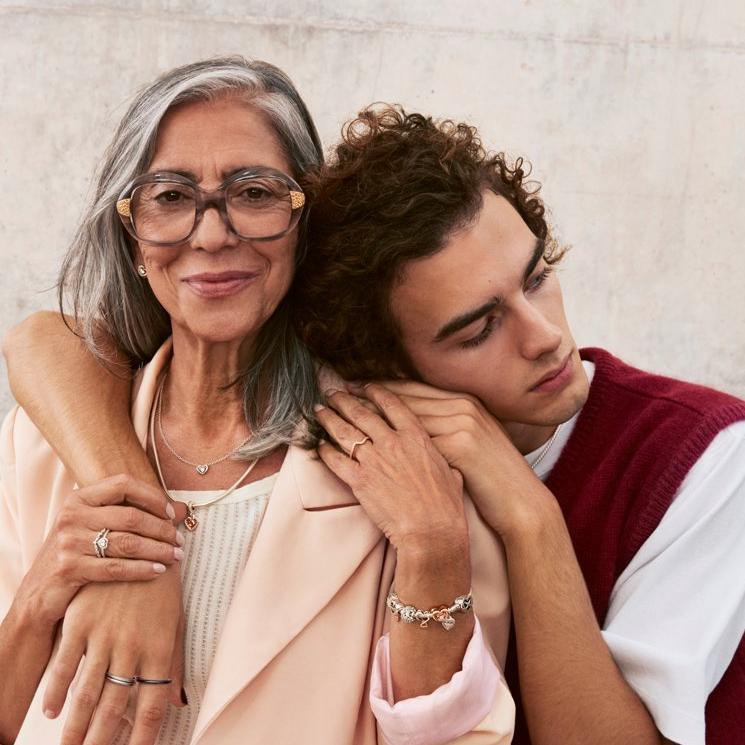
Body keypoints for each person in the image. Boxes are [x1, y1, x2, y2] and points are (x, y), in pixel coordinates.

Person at [9, 101, 744, 745]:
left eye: (536, 274)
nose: (547, 338)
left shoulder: (707, 455)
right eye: (478, 326)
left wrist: (525, 515)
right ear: (382, 362)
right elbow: (45, 338)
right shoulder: (66, 433)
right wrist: (128, 539)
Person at [0, 61, 514, 745]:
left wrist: (434, 555)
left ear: (306, 222)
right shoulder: (44, 446)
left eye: (255, 192)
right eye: (169, 196)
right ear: (130, 239)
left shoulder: (407, 460)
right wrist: (48, 591)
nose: (211, 235)